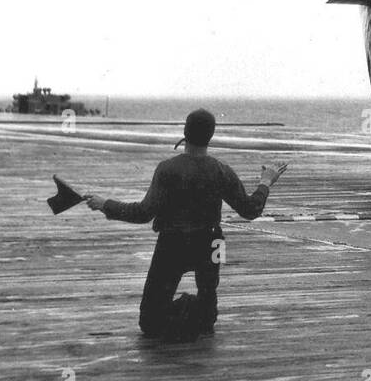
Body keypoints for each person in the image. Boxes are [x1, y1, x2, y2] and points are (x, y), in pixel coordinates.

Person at [82, 108, 287, 339]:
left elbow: (142, 213)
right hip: (212, 243)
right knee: (207, 317)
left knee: (149, 323)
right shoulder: (222, 171)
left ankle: (191, 308)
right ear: (211, 135)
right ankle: (203, 308)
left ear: (185, 132)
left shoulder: (168, 169)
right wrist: (266, 182)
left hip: (173, 243)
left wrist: (104, 204)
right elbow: (251, 210)